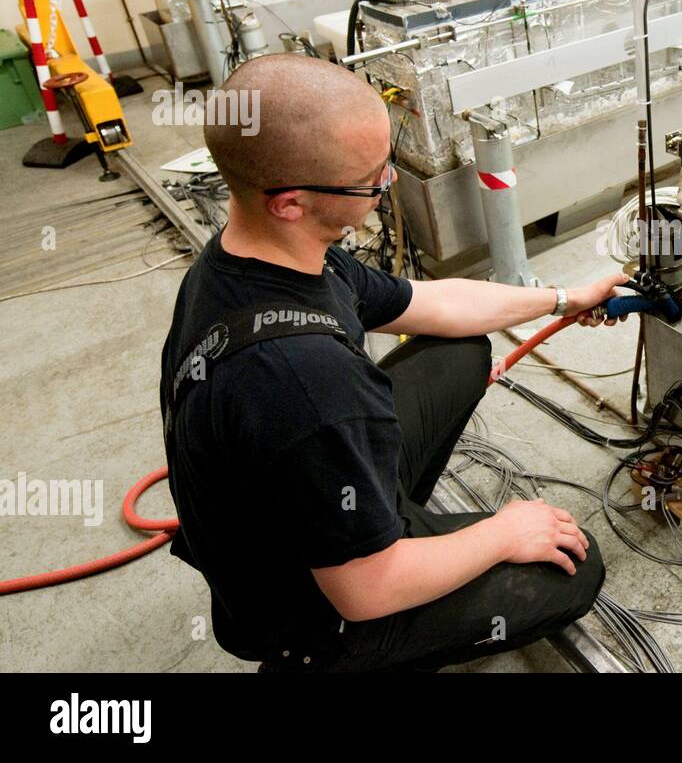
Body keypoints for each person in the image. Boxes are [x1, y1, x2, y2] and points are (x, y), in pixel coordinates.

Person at [159, 54, 626, 672]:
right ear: (290, 202)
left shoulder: (262, 259)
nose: (388, 183)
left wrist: (564, 297)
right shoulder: (306, 382)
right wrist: (504, 534)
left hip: (311, 495)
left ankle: (380, 521)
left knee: (460, 351)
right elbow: (365, 592)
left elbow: (435, 302)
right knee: (574, 565)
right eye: (370, 180)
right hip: (315, 608)